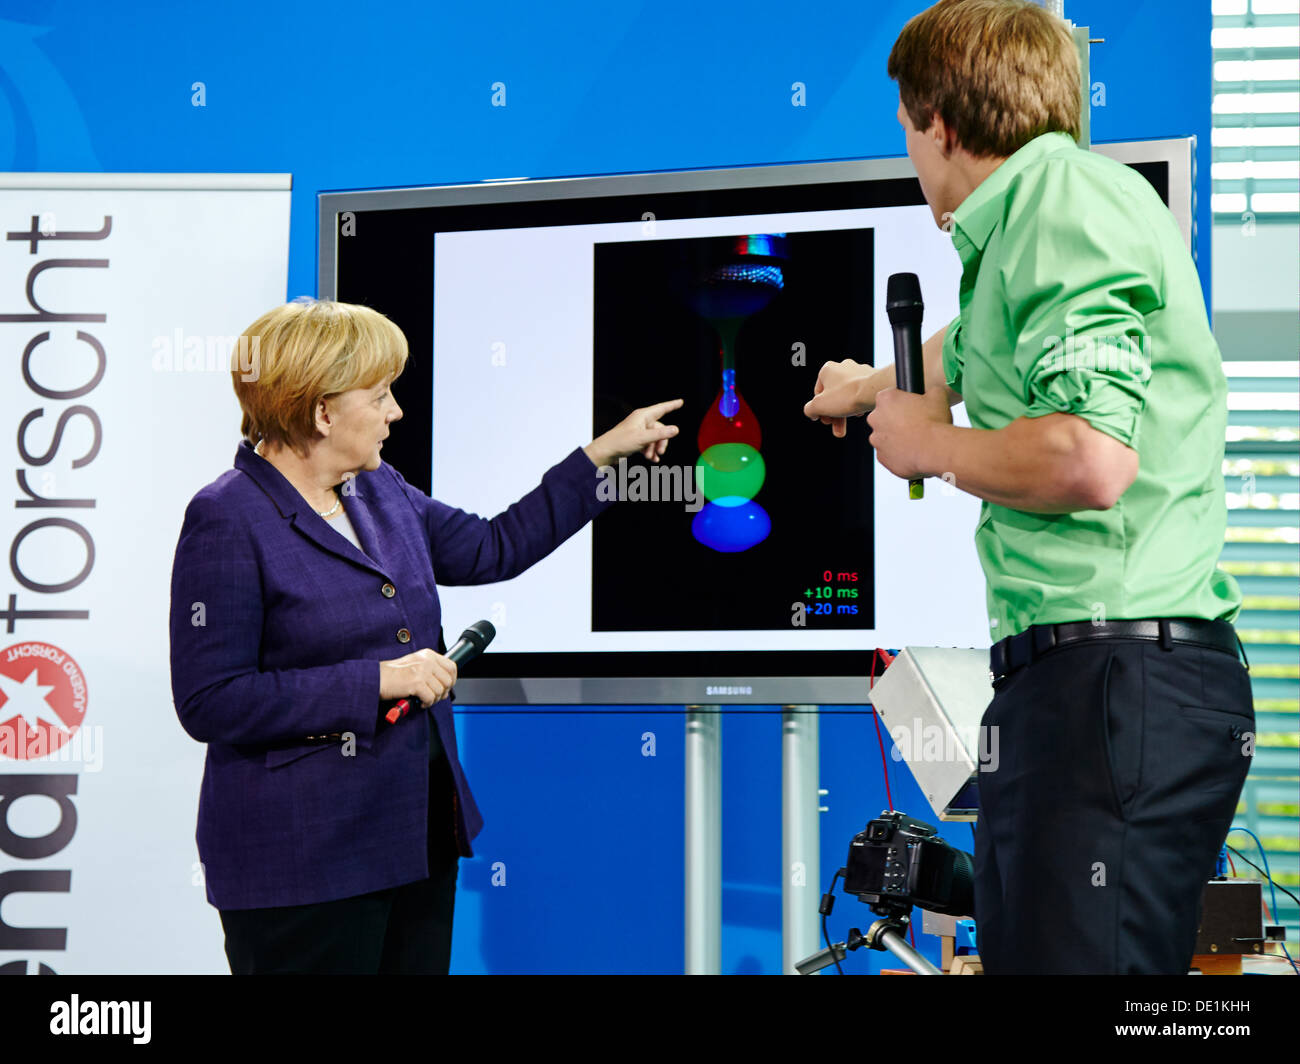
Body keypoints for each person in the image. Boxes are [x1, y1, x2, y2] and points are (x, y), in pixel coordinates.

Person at [804, 0, 1253, 975]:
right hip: (1087, 688)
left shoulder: (1060, 205)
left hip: (1113, 685)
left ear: (944, 125)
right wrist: (865, 389)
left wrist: (932, 447)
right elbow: (961, 351)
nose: (908, 155)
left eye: (904, 129)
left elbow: (1089, 457)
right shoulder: (1023, 235)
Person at [169, 297, 682, 974]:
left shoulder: (379, 490)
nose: (395, 412)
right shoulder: (227, 516)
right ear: (323, 412)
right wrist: (382, 679)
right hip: (304, 864)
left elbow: (492, 547)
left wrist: (602, 454)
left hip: (413, 838)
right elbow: (213, 700)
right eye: (380, 395)